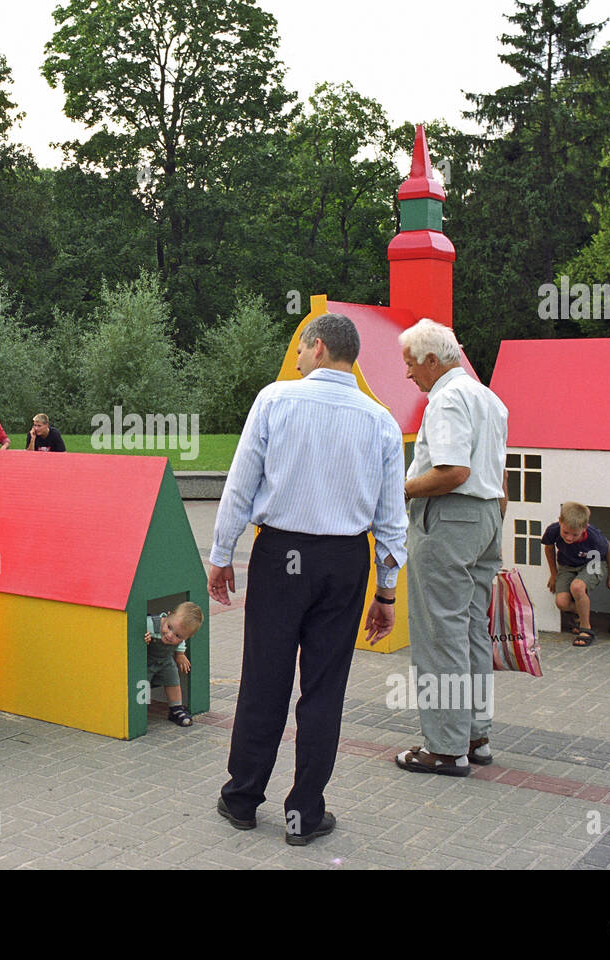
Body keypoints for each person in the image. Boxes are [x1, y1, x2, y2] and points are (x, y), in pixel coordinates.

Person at [208, 313, 407, 846]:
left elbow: (241, 482)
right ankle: (304, 814)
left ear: (317, 347)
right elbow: (392, 519)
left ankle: (243, 799)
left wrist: (221, 553)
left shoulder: (275, 400)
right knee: (324, 689)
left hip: (280, 556)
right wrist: (386, 591)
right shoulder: (381, 420)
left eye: (299, 348)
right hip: (346, 561)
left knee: (264, 680)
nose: (295, 359)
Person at [396, 318, 508, 776]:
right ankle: (475, 733)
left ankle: (445, 747)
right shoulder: (490, 398)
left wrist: (401, 488)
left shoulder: (446, 399)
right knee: (471, 630)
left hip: (449, 518)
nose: (407, 374)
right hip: (486, 517)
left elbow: (451, 471)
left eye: (410, 364)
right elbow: (492, 476)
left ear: (430, 360)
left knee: (439, 632)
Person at [543, 501, 610, 647]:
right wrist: (554, 574)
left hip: (593, 562)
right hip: (567, 566)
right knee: (562, 602)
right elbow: (549, 548)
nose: (569, 538)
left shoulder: (593, 536)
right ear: (560, 522)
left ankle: (586, 628)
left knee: (577, 587)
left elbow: (609, 547)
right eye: (565, 532)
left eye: (575, 534)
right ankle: (580, 613)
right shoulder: (553, 530)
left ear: (585, 527)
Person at [144, 603, 203, 727]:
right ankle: (140, 709)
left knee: (173, 680)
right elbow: (135, 631)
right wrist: (143, 638)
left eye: (177, 636)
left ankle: (176, 709)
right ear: (168, 615)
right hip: (146, 661)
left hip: (165, 661)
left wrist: (180, 654)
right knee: (143, 682)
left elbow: (181, 643)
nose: (170, 635)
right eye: (169, 627)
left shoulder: (182, 634)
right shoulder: (150, 623)